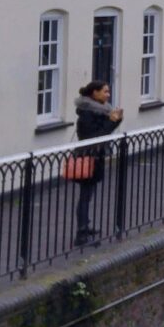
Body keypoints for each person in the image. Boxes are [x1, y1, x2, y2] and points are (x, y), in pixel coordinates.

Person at [71, 81, 121, 245]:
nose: (108, 95)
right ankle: (81, 234)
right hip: (87, 157)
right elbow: (97, 136)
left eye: (108, 91)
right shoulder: (87, 114)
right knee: (85, 196)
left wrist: (115, 120)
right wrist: (113, 121)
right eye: (105, 92)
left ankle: (85, 226)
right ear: (94, 93)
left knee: (88, 194)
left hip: (95, 157)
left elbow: (105, 131)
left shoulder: (100, 111)